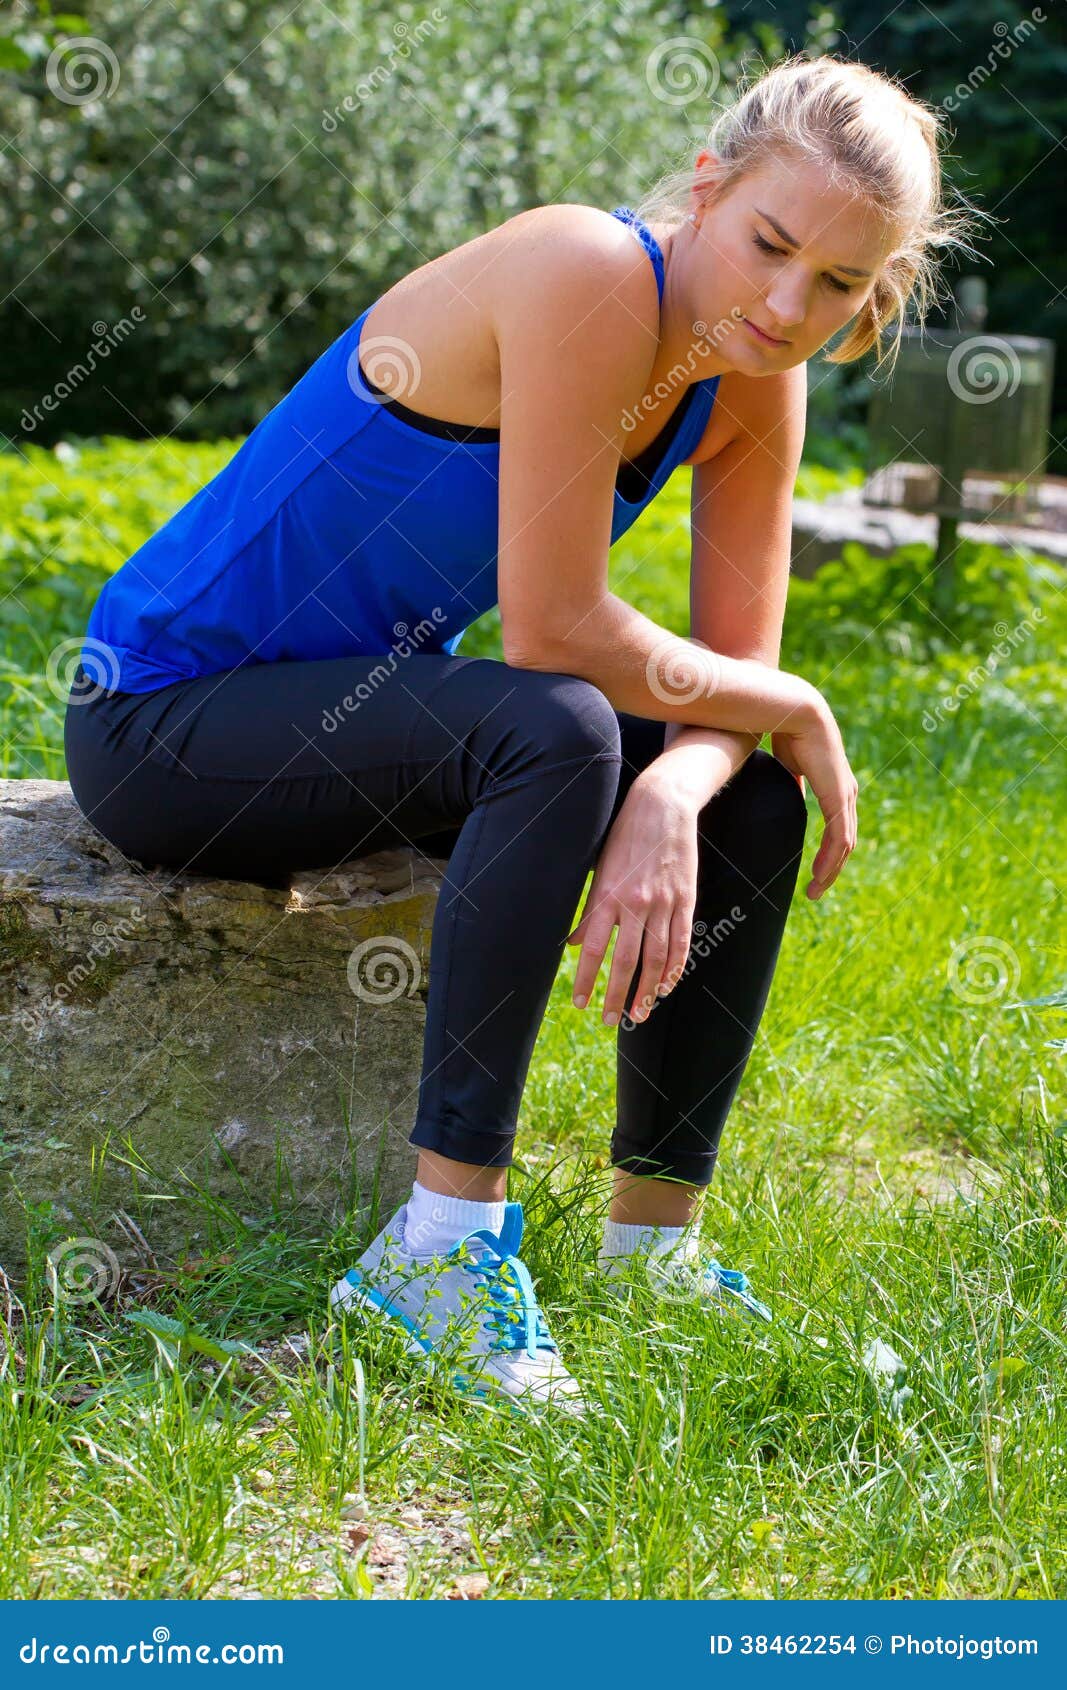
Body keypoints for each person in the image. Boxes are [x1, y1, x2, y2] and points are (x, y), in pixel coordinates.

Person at [63, 52, 974, 1417]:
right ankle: (438, 1253)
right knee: (557, 727)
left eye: (840, 282)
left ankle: (653, 1248)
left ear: (879, 287)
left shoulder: (753, 375)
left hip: (351, 732)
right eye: (770, 245)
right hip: (162, 726)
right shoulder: (583, 271)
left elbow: (734, 677)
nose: (791, 305)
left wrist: (678, 787)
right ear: (708, 192)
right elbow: (556, 631)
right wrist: (783, 705)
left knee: (745, 799)